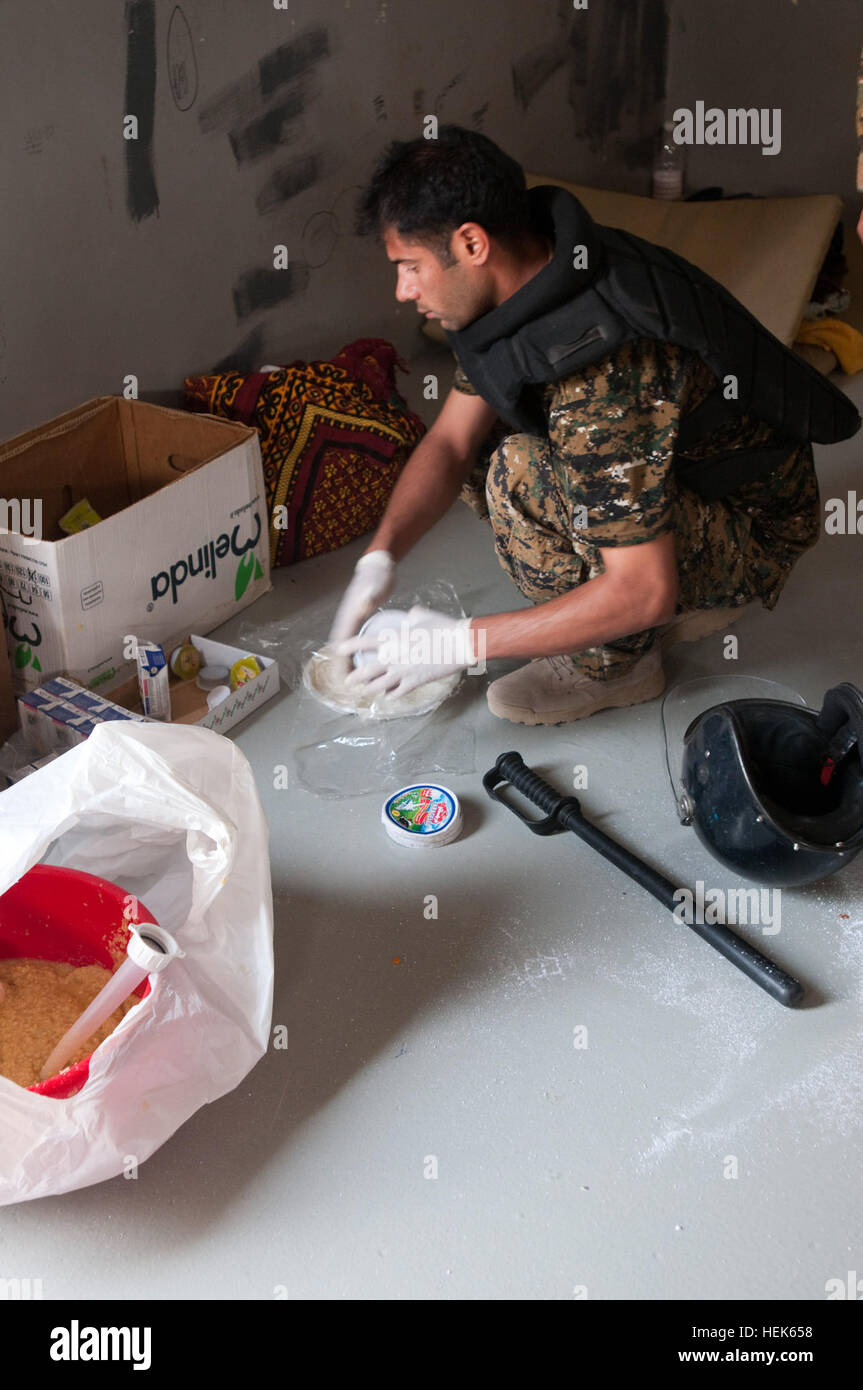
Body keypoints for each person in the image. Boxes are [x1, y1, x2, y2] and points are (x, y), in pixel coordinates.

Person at [329, 126, 855, 726]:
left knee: (516, 474)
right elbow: (450, 441)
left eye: (411, 266)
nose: (402, 290)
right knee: (484, 442)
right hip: (703, 478)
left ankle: (619, 663)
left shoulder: (602, 371)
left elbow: (642, 590)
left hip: (752, 525)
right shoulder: (538, 268)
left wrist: (461, 642)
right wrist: (378, 560)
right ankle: (672, 582)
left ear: (472, 243)